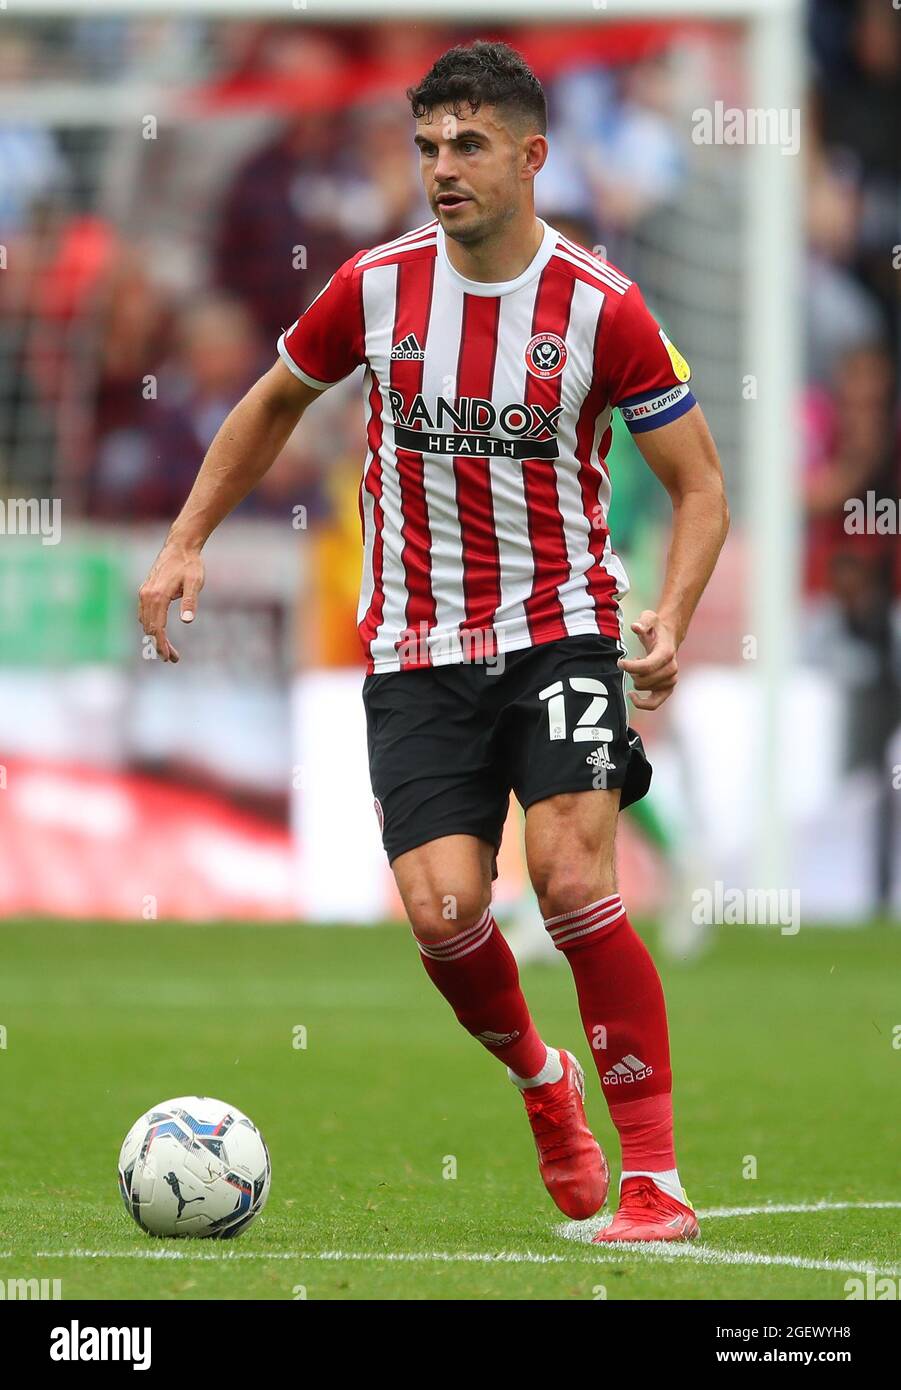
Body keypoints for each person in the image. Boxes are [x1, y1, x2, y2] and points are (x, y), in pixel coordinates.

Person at [138, 41, 729, 1242]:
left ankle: (655, 1175)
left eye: (466, 146)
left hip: (561, 627)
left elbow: (702, 484)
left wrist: (665, 610)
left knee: (571, 880)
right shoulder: (375, 286)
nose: (441, 169)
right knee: (446, 913)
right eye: (424, 148)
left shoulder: (600, 305)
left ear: (531, 155)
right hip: (413, 645)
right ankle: (542, 1082)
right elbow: (271, 402)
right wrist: (186, 536)